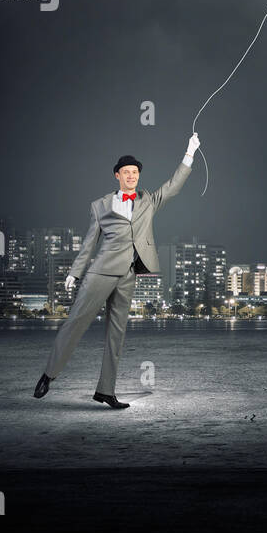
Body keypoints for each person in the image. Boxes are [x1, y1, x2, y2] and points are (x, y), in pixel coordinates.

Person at [33, 133, 200, 408]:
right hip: (101, 271)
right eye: (127, 172)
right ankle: (49, 375)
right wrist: (75, 273)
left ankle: (106, 391)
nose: (132, 176)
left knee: (117, 334)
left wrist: (189, 152)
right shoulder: (99, 206)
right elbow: (89, 242)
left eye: (135, 172)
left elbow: (173, 186)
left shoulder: (149, 200)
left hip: (128, 275)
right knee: (76, 322)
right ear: (117, 175)